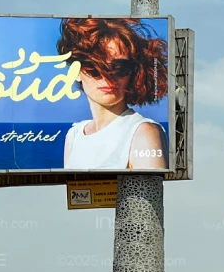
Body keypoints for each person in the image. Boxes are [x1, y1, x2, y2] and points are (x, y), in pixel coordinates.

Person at [59, 17, 169, 170]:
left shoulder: (143, 133)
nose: (108, 77)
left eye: (120, 67)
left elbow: (148, 193)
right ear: (76, 71)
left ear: (133, 71)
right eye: (95, 68)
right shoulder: (74, 135)